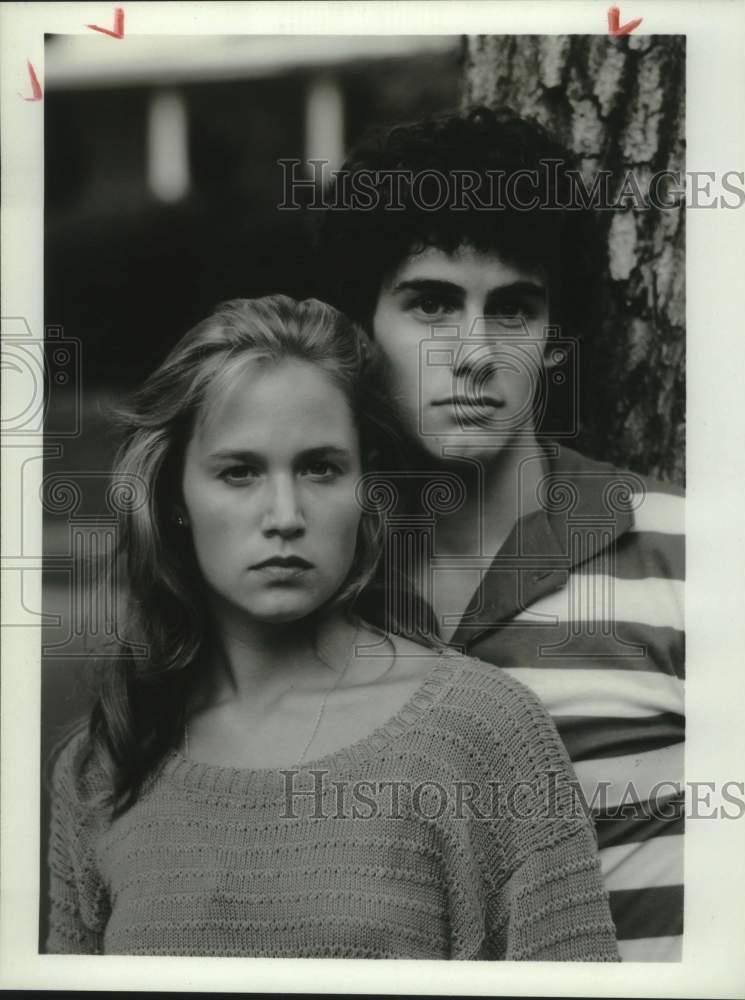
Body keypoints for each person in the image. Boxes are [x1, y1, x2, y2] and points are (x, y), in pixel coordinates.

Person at [45, 295, 619, 960]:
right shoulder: (103, 765)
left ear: (366, 489)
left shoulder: (483, 732)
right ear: (175, 497)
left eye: (320, 468)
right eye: (240, 472)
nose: (284, 514)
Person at [318, 107, 685, 961]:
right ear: (363, 330)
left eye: (513, 310)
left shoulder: (695, 552)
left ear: (555, 340)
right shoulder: (311, 575)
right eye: (432, 304)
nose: (474, 353)